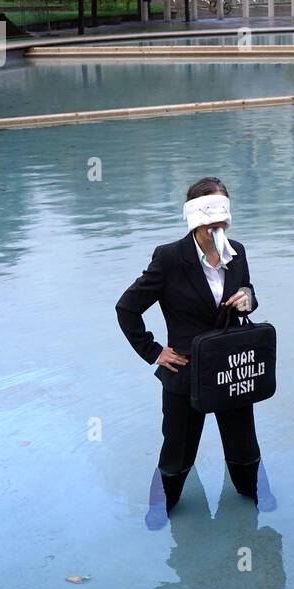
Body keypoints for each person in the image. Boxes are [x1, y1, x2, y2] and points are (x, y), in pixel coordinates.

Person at [116, 177, 261, 513]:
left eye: (223, 210)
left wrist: (248, 300)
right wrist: (154, 352)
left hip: (231, 367)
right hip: (186, 371)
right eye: (211, 211)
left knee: (243, 444)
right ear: (195, 215)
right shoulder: (169, 258)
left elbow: (250, 293)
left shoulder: (237, 253)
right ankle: (166, 507)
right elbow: (126, 308)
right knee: (178, 449)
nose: (218, 221)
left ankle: (250, 498)